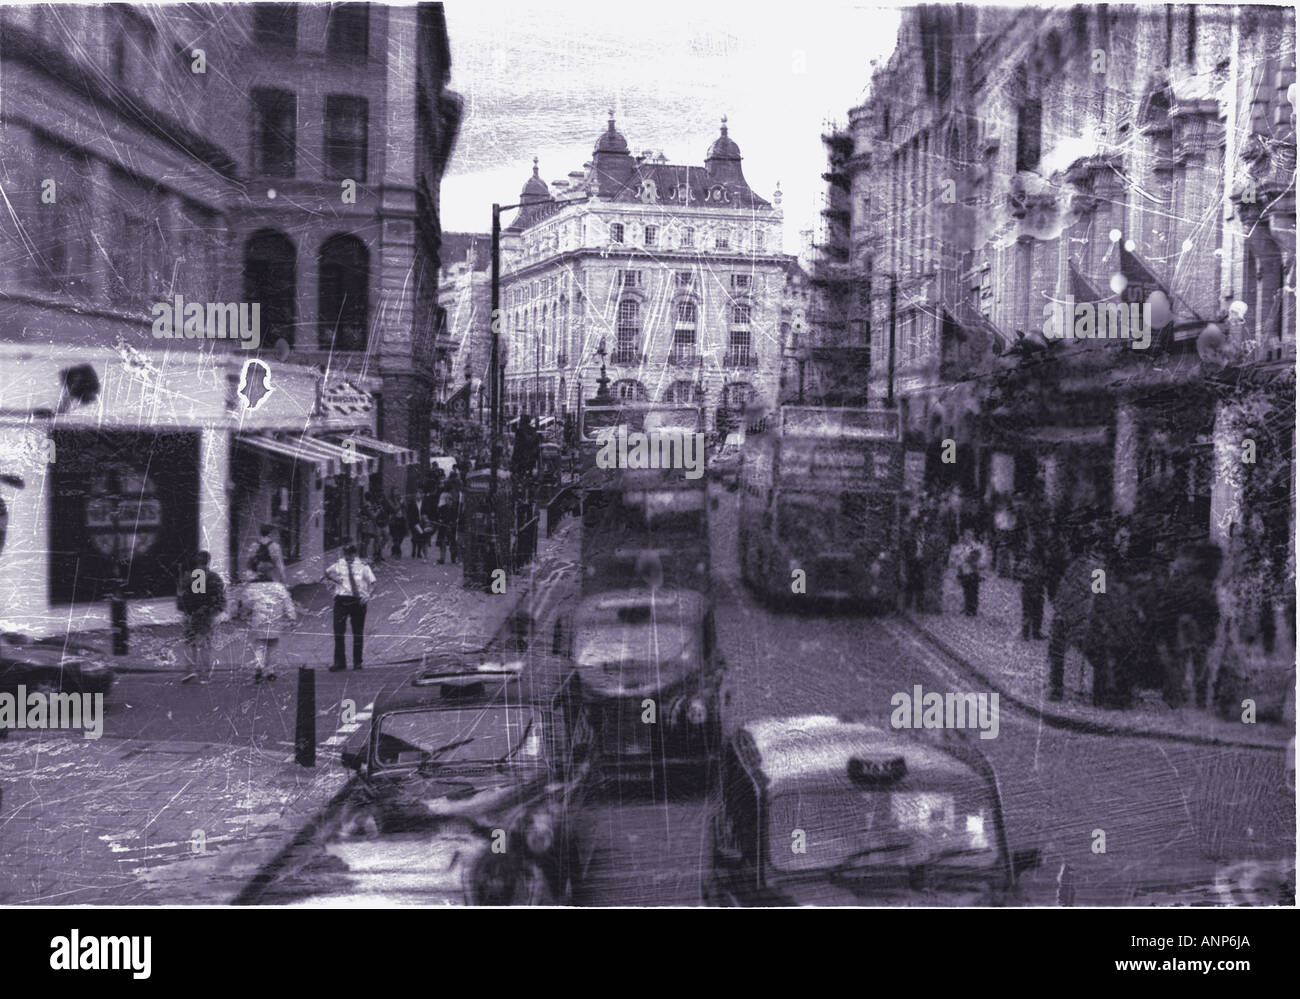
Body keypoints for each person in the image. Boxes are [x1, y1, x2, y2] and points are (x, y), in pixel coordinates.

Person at [231, 560, 296, 682]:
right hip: (275, 618)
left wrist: (244, 613)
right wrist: (292, 617)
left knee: (259, 645)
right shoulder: (278, 587)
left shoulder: (253, 587)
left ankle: (259, 667)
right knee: (273, 645)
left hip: (259, 619)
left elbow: (246, 603)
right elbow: (288, 603)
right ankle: (270, 671)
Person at [324, 543, 375, 671]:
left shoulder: (363, 566)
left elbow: (373, 583)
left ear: (354, 553)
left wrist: (368, 595)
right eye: (346, 553)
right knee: (338, 632)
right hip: (341, 600)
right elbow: (327, 572)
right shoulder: (339, 564)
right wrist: (335, 579)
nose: (348, 556)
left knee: (357, 632)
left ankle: (358, 662)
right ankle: (340, 663)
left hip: (358, 601)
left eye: (350, 554)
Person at [178, 550, 225, 683]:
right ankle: (205, 674)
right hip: (206, 614)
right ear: (208, 561)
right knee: (205, 644)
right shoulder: (214, 577)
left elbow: (181, 595)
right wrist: (216, 611)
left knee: (190, 642)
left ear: (196, 561)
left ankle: (190, 670)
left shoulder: (189, 576)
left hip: (191, 614)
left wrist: (184, 611)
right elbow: (220, 596)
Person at [1015, 519, 1048, 640]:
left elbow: (1045, 574)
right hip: (1029, 589)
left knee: (1038, 612)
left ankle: (1036, 632)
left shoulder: (1040, 563)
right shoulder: (1027, 562)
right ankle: (1026, 633)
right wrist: (1029, 577)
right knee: (1028, 612)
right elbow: (1018, 573)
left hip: (1038, 589)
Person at [952, 530, 988, 617]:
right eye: (966, 536)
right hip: (964, 571)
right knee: (966, 590)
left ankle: (973, 610)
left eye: (969, 536)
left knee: (974, 591)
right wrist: (960, 562)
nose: (967, 538)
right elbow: (955, 559)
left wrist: (976, 563)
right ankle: (967, 608)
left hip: (974, 572)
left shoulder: (978, 547)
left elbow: (983, 560)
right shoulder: (960, 547)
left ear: (972, 537)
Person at [437, 473, 462, 564]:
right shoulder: (445, 495)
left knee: (453, 540)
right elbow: (440, 507)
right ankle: (443, 558)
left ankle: (454, 557)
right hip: (445, 519)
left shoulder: (458, 494)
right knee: (444, 540)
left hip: (453, 519)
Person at [387, 488, 407, 558]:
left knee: (401, 537)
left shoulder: (400, 499)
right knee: (395, 537)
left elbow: (405, 508)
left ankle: (394, 549)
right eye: (395, 491)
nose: (397, 492)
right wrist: (400, 503)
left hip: (401, 519)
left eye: (398, 491)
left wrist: (403, 502)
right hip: (394, 520)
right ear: (392, 492)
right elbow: (394, 509)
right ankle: (398, 552)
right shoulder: (390, 500)